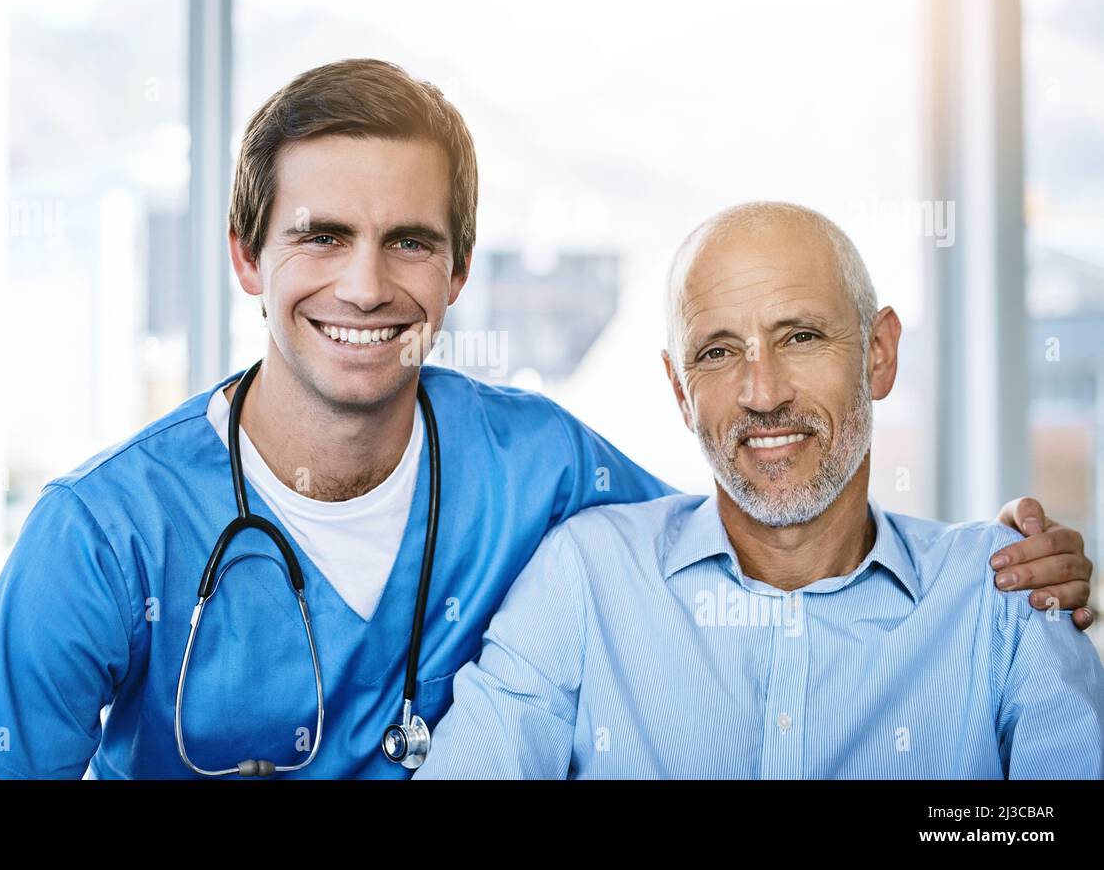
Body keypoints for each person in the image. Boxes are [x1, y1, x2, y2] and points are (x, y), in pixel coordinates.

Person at [0, 62, 1093, 779]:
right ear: (247, 256)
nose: (364, 285)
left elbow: (772, 501)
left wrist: (993, 567)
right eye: (320, 235)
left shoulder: (541, 471)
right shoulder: (102, 531)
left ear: (459, 272)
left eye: (409, 243)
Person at [413, 202, 1104, 779]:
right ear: (681, 391)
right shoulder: (585, 578)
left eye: (800, 336)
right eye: (717, 351)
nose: (763, 392)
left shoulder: (1005, 595)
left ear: (879, 354)